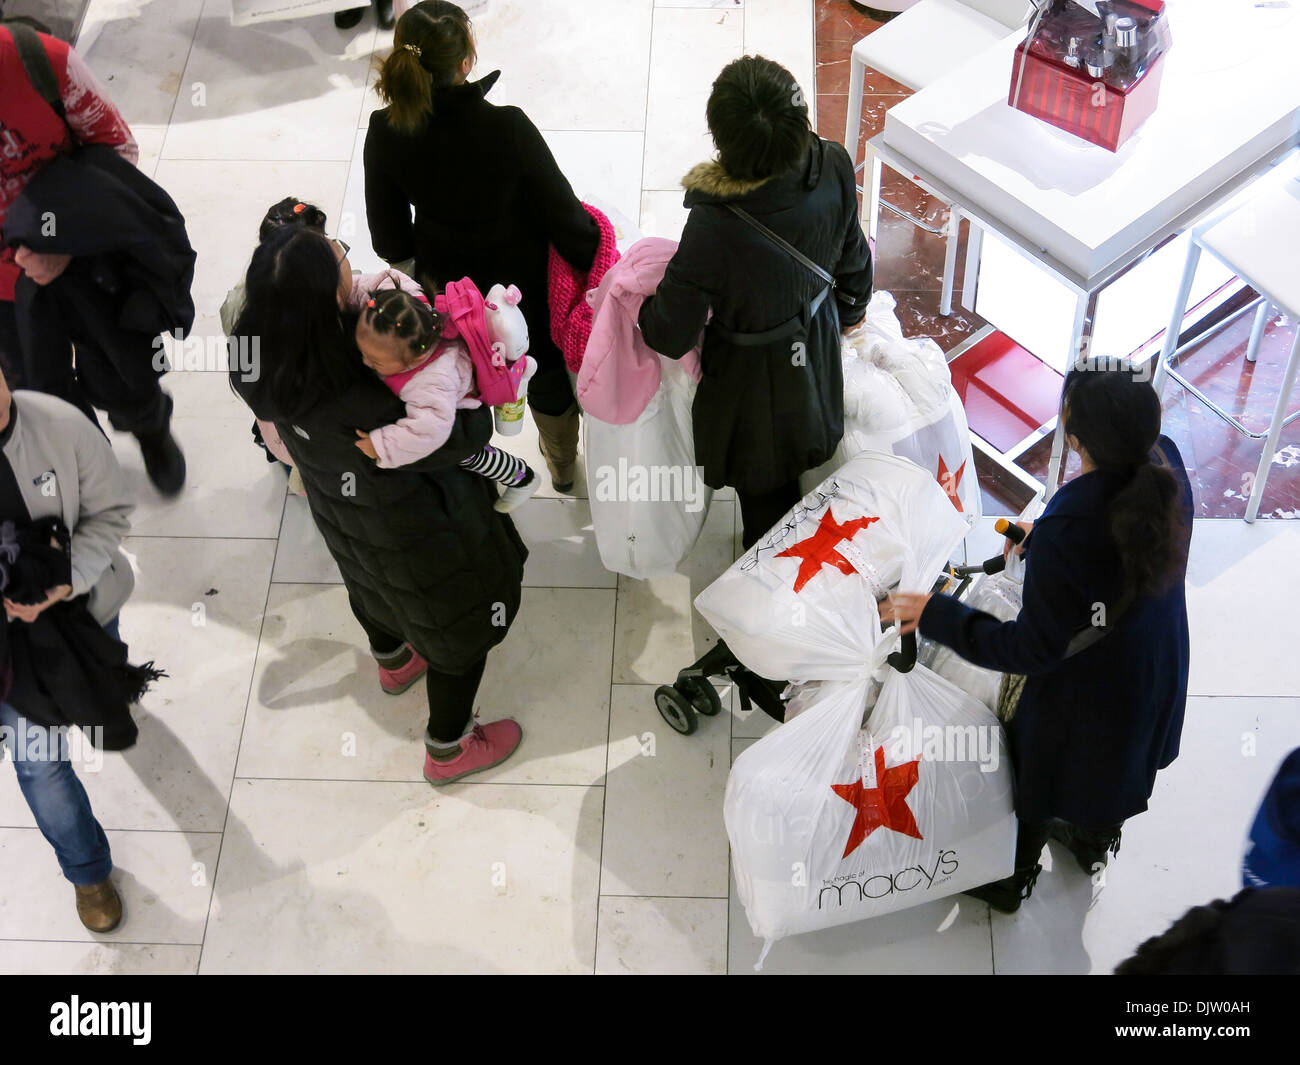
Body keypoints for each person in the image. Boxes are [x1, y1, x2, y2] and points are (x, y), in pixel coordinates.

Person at [884, 360, 1194, 912]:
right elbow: (1114, 549)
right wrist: (1043, 536)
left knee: (1044, 769)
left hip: (1087, 693)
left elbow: (1029, 650)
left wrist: (936, 614)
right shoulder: (1166, 466)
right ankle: (1095, 840)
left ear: (1076, 438)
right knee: (1115, 766)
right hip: (1154, 660)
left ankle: (1012, 877)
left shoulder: (1071, 531)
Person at [228, 226, 528, 784]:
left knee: (369, 582)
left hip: (339, 508)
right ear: (323, 296)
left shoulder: (256, 354)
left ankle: (394, 664)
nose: (347, 259)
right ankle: (449, 749)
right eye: (337, 258)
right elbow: (456, 438)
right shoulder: (362, 379)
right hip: (417, 523)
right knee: (457, 634)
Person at [637, 55, 874, 549]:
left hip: (751, 387)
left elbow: (670, 331)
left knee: (766, 497)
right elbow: (854, 264)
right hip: (817, 345)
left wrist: (637, 305)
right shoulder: (832, 163)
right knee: (806, 454)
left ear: (724, 144)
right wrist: (843, 321)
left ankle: (765, 594)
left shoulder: (714, 224)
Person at [363, 0, 600, 493]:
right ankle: (561, 466)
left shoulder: (385, 132)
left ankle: (479, 461)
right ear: (465, 62)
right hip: (524, 287)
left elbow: (389, 238)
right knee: (547, 376)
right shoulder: (508, 127)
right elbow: (565, 216)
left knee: (464, 378)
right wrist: (597, 264)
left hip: (449, 290)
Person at [0, 20, 187, 496]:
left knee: (123, 371)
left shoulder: (39, 61)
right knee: (43, 401)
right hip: (5, 298)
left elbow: (118, 148)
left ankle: (149, 429)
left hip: (89, 259)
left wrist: (60, 239)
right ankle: (92, 474)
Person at [0, 364, 137, 933]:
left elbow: (111, 513)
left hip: (83, 612)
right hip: (8, 648)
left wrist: (66, 581)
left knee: (104, 697)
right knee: (38, 764)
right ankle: (87, 872)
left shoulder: (60, 425)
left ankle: (101, 698)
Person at [353, 285, 539, 511]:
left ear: (416, 359)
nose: (365, 362)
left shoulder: (430, 383)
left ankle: (522, 478)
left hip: (461, 407)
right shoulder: (413, 319)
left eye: (376, 361)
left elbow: (429, 430)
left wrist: (382, 446)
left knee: (468, 455)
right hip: (453, 387)